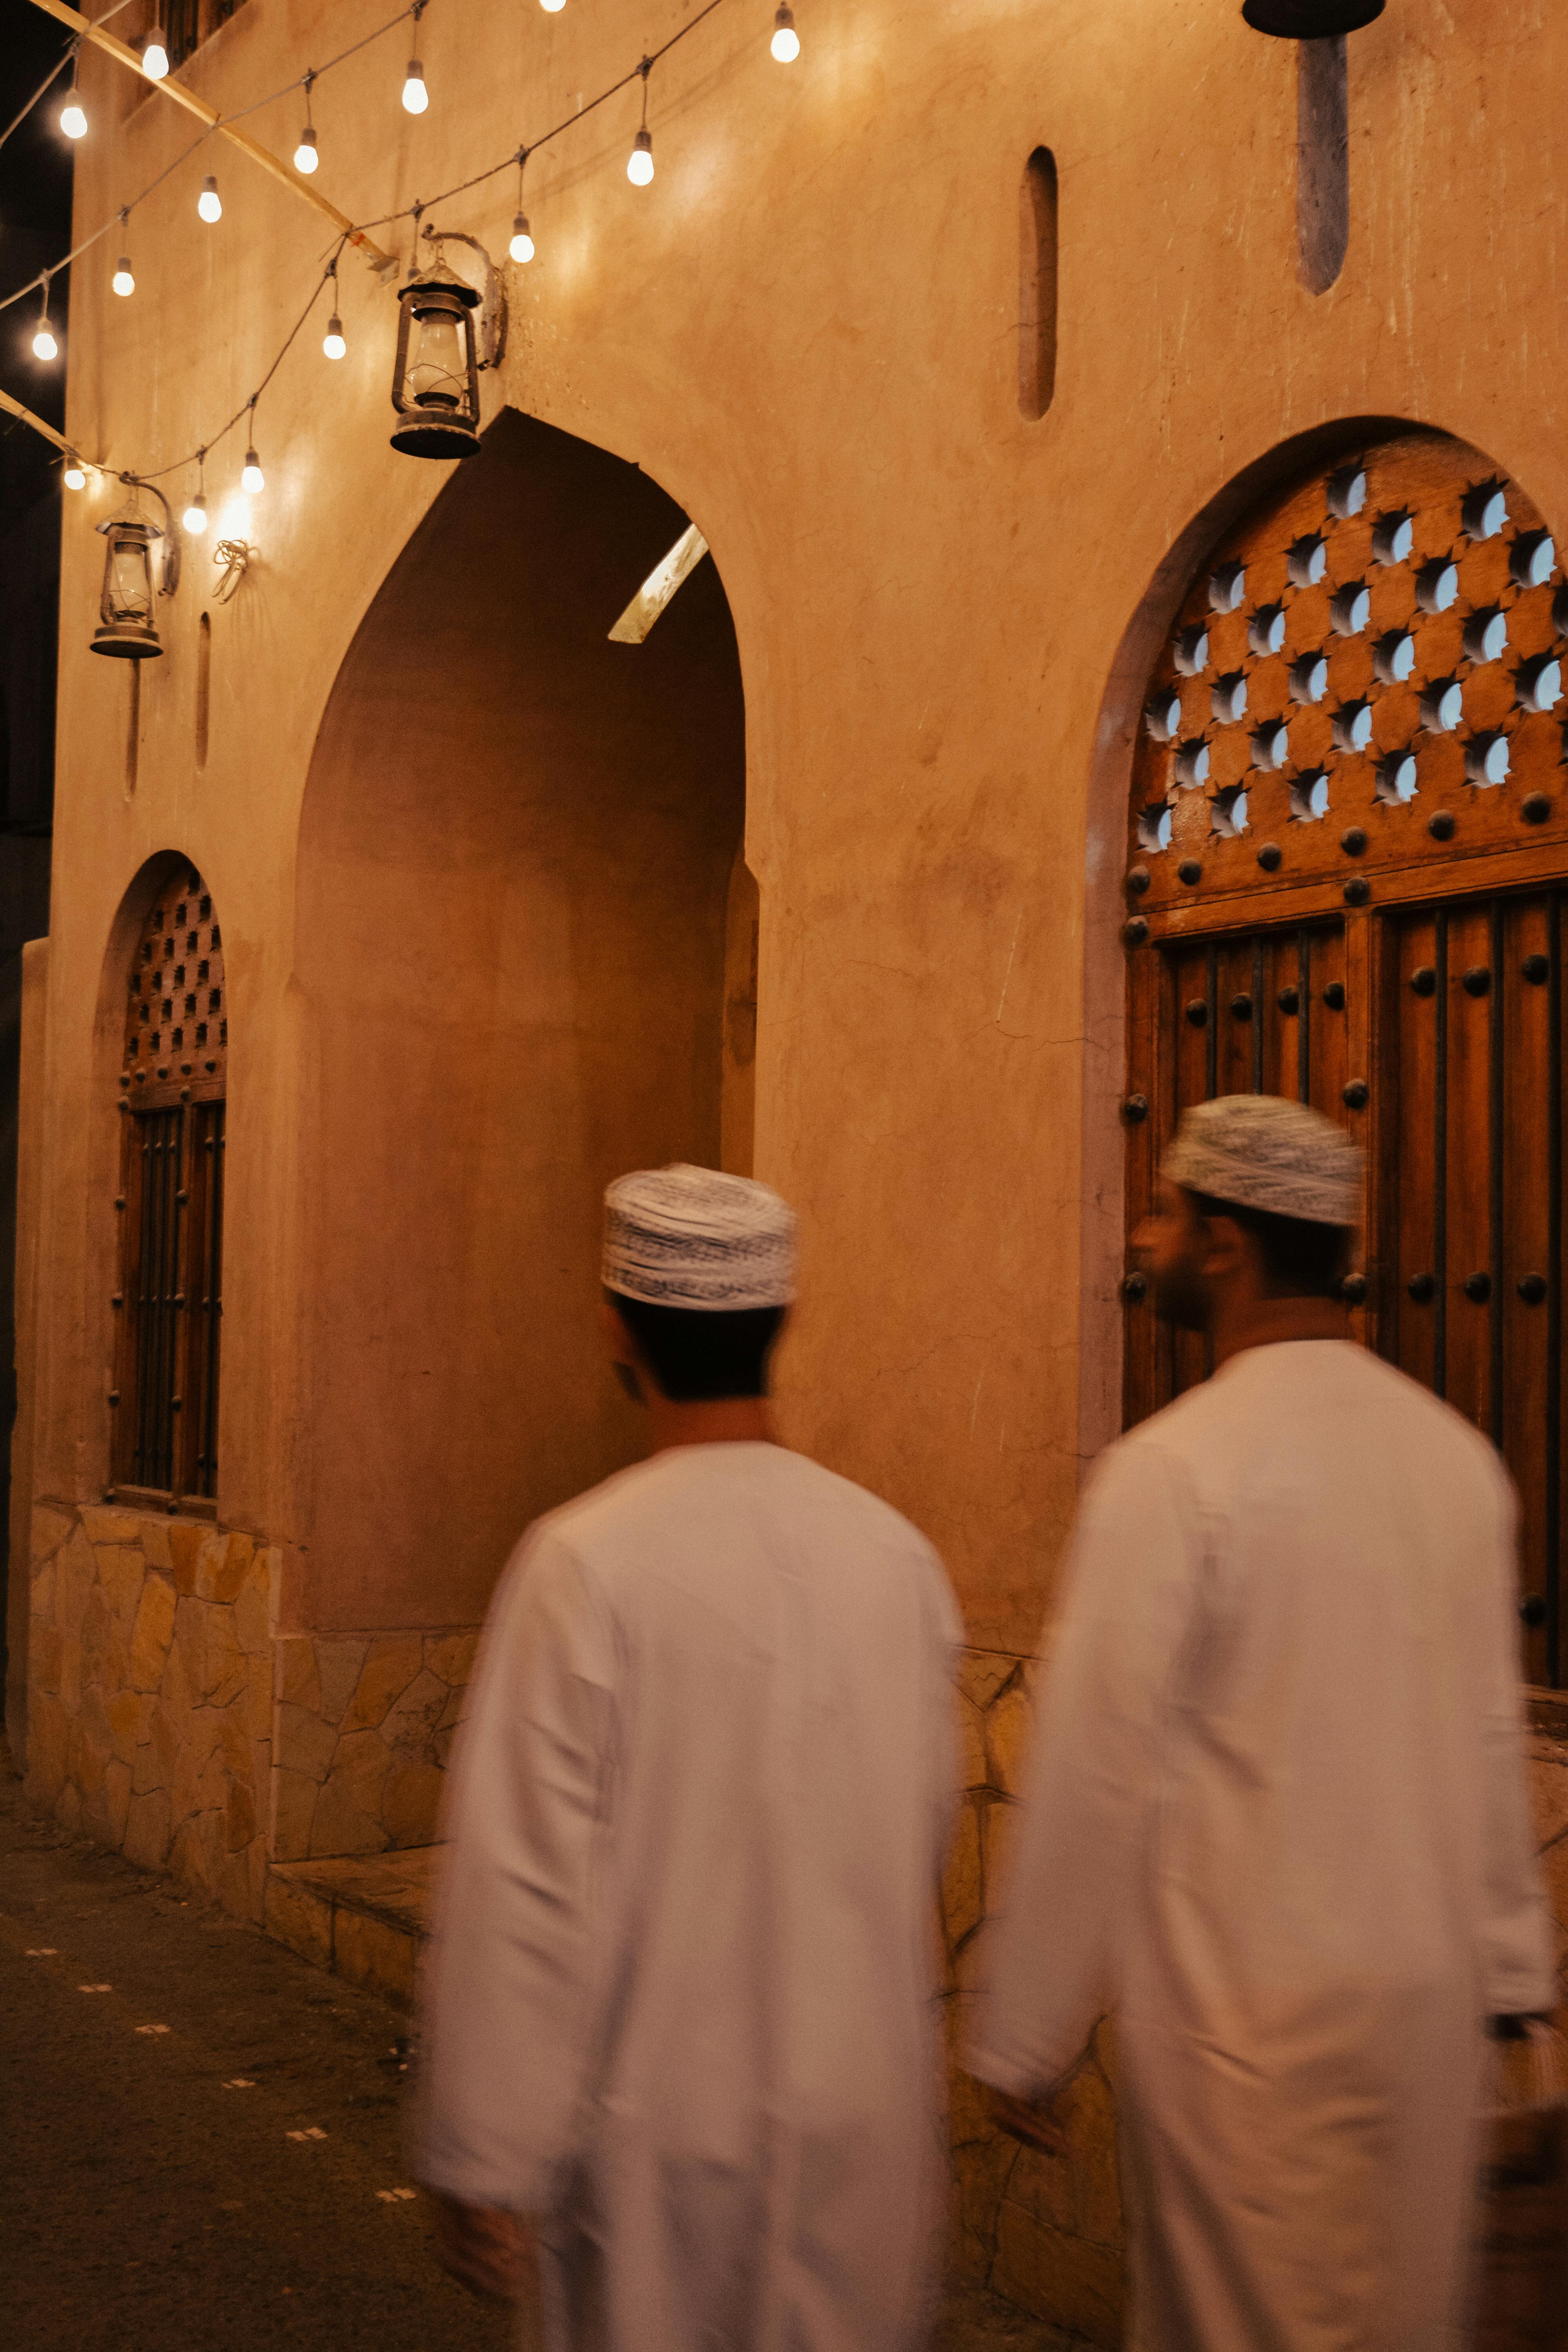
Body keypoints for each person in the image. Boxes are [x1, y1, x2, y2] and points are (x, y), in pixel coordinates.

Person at [968, 1095, 1554, 2352]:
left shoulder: (1177, 1468)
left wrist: (1026, 2028)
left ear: (1225, 1243)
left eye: (1164, 1214)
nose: (1145, 1239)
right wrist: (1512, 1971)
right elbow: (1487, 1738)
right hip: (1425, 2018)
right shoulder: (1453, 1459)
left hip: (1250, 2033)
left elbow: (1094, 1767)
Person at [415, 1162, 962, 2352]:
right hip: (862, 2123)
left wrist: (483, 2147)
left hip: (658, 2139)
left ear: (619, 1327)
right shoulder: (897, 1558)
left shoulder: (584, 1560)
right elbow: (920, 1830)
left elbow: (525, 1885)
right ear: (781, 1320)